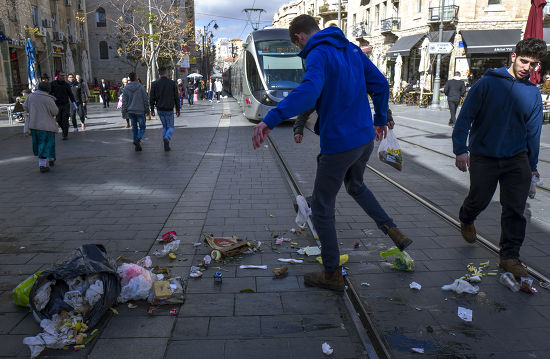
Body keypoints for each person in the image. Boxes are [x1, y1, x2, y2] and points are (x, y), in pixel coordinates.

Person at [251, 14, 412, 291]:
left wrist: (272, 118)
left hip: (339, 143)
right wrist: (379, 119)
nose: (300, 51)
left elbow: (309, 91)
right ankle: (391, 229)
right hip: (363, 139)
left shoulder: (317, 54)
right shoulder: (351, 49)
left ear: (299, 37)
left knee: (323, 207)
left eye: (297, 46)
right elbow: (381, 84)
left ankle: (331, 273)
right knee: (356, 185)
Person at [452, 37, 547, 279]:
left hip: (517, 159)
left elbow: (534, 133)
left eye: (533, 65)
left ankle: (509, 257)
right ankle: (467, 216)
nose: (527, 68)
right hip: (484, 155)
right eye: (524, 61)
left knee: (515, 210)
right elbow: (465, 118)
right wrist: (460, 149)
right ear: (513, 57)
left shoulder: (533, 94)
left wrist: (533, 166)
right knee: (480, 198)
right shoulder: (487, 83)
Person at [23, 81, 59, 172]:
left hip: (34, 125)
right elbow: (55, 112)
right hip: (47, 126)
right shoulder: (48, 99)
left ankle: (47, 160)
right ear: (48, 89)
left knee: (40, 144)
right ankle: (44, 164)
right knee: (47, 144)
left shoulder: (30, 96)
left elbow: (25, 107)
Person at [150, 67, 181, 151]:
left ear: (159, 73)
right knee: (170, 126)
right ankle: (167, 138)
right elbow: (176, 97)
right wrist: (178, 109)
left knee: (164, 126)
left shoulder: (154, 84)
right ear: (166, 73)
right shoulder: (172, 83)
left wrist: (152, 109)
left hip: (160, 108)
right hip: (169, 108)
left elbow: (151, 98)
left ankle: (165, 143)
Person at [122, 72, 150, 151]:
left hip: (130, 111)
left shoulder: (126, 88)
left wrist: (123, 112)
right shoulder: (141, 87)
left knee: (134, 127)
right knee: (142, 127)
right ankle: (138, 139)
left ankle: (136, 144)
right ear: (136, 78)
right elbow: (145, 99)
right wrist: (147, 110)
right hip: (140, 110)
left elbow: (124, 101)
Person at [50, 71, 76, 140]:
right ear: (58, 76)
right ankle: (64, 128)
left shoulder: (66, 85)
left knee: (65, 118)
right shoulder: (53, 84)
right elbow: (49, 93)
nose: (63, 77)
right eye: (62, 76)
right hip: (57, 104)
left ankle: (65, 134)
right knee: (58, 119)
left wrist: (74, 104)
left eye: (64, 76)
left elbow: (70, 94)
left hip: (65, 104)